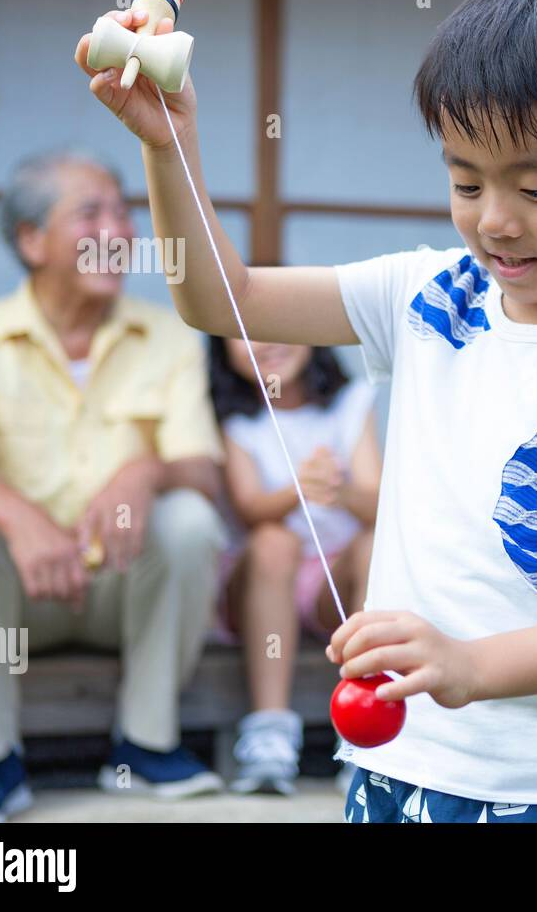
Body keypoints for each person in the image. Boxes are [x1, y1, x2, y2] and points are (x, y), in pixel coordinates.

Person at [74, 0, 537, 823]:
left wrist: (472, 667)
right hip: (392, 766)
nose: (494, 219)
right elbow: (216, 299)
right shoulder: (430, 298)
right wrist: (169, 147)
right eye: (466, 183)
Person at [0, 150, 227, 821]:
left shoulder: (168, 337)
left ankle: (148, 743)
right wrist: (17, 517)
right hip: (17, 594)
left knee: (187, 520)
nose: (120, 231)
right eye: (91, 213)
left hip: (120, 588)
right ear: (32, 240)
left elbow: (203, 470)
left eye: (124, 212)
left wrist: (144, 471)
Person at [207, 336, 380, 794]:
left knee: (372, 543)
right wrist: (300, 487)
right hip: (259, 587)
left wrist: (339, 489)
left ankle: (367, 734)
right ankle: (270, 733)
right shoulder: (234, 419)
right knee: (273, 541)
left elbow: (378, 503)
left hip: (333, 587)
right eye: (242, 336)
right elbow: (249, 509)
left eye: (277, 327)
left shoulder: (348, 402)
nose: (263, 344)